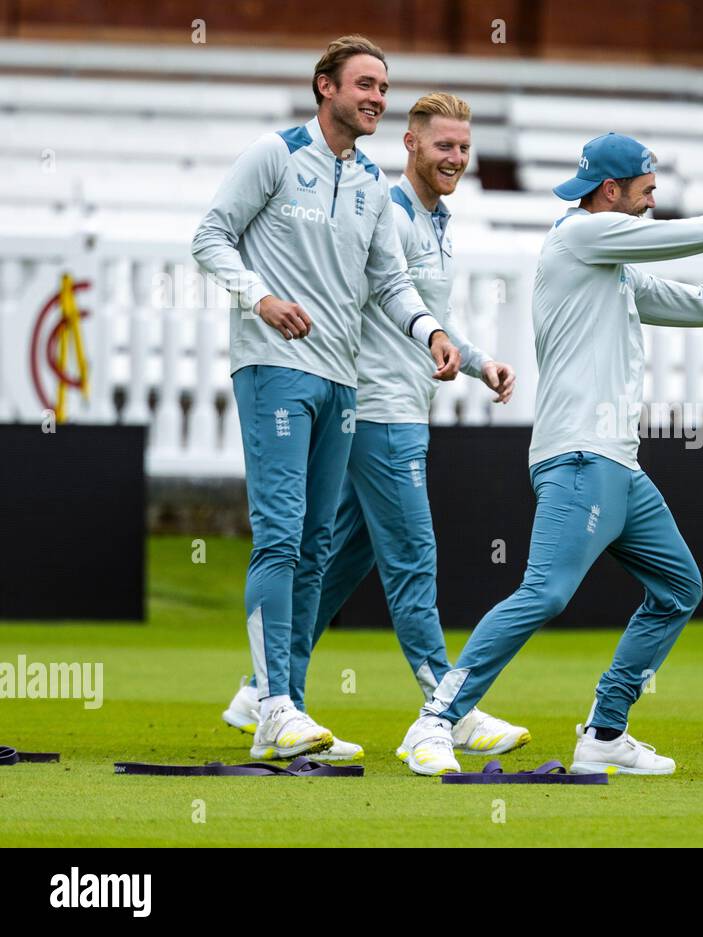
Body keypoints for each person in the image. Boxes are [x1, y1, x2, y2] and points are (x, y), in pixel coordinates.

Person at [410, 132, 703, 775]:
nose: (652, 203)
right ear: (609, 191)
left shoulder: (610, 267)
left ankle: (605, 732)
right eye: (644, 192)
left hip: (619, 465)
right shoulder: (578, 238)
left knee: (678, 587)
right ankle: (436, 720)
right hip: (578, 458)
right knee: (546, 593)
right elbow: (687, 239)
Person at [220, 92, 530, 773]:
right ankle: (448, 705)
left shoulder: (433, 219)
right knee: (413, 558)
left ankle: (259, 689)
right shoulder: (382, 207)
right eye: (442, 144)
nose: (455, 156)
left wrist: (475, 361)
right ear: (410, 145)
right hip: (379, 408)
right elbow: (366, 298)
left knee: (334, 565)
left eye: (462, 146)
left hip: (396, 405)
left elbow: (415, 307)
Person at [193, 35, 461, 761]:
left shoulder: (373, 182)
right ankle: (272, 706)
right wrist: (262, 299)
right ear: (325, 88)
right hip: (275, 367)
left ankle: (289, 713)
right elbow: (209, 237)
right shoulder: (275, 155)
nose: (377, 96)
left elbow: (389, 280)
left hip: (344, 380)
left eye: (383, 86)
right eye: (365, 84)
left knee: (313, 547)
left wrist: (431, 332)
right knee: (281, 535)